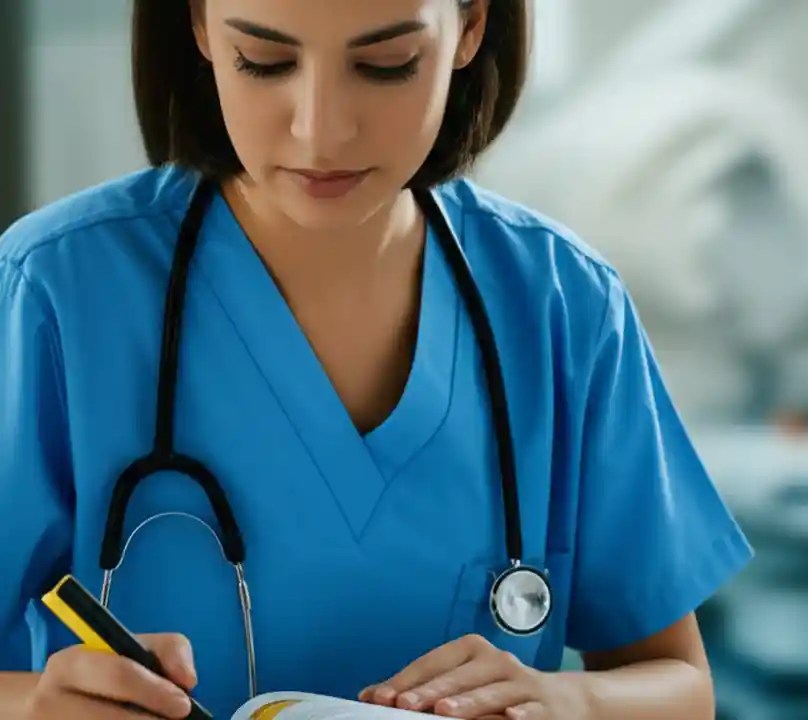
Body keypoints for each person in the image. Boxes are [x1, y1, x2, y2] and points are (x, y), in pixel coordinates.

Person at [0, 1, 754, 718]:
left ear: (470, 27)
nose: (321, 129)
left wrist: (566, 702)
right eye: (263, 60)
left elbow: (681, 684)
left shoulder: (562, 304)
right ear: (198, 24)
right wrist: (37, 706)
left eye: (386, 63)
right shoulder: (55, 292)